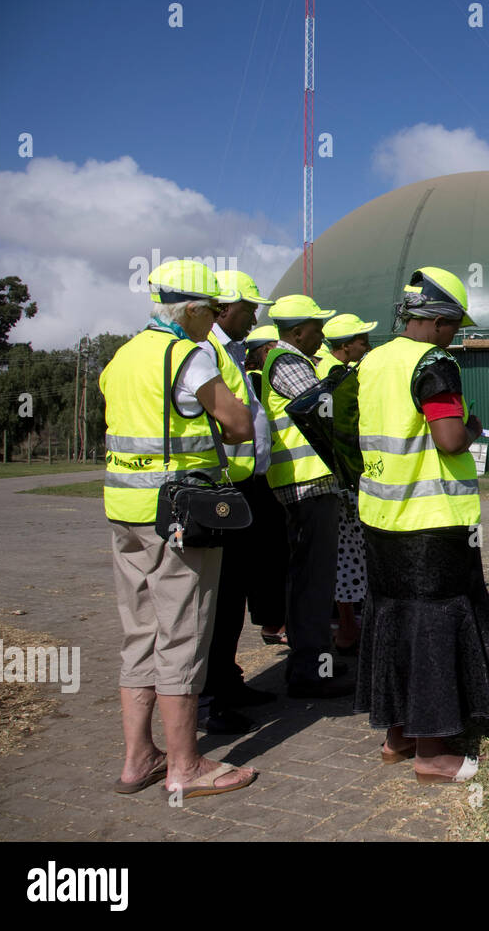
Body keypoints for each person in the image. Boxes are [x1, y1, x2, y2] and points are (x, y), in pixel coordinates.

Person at [354, 267, 489, 783]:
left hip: (381, 518)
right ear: (438, 320)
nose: (457, 336)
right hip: (431, 524)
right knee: (432, 627)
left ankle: (398, 736)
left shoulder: (373, 361)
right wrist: (471, 427)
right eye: (455, 326)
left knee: (394, 620)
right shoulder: (435, 363)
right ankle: (433, 752)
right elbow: (448, 438)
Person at [100, 259, 257, 799]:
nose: (215, 321)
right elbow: (238, 424)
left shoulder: (121, 357)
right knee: (182, 636)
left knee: (139, 633)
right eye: (212, 311)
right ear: (191, 309)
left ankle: (138, 759)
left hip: (124, 513)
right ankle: (185, 767)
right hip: (177, 518)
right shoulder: (185, 356)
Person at [191, 270, 278, 734]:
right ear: (225, 309)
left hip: (247, 487)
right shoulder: (206, 351)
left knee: (237, 592)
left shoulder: (230, 351)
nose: (255, 315)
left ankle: (228, 678)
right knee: (220, 599)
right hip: (225, 491)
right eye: (249, 308)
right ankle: (210, 698)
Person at [261, 294, 353, 698]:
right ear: (298, 332)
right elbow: (323, 409)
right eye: (317, 329)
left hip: (304, 483)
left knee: (309, 578)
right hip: (308, 483)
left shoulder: (286, 361)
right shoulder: (289, 362)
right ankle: (312, 671)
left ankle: (313, 663)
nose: (322, 336)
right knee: (314, 581)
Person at [316, 313, 379, 652]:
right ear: (344, 346)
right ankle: (351, 629)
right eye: (361, 340)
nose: (367, 345)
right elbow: (346, 431)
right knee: (352, 554)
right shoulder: (336, 376)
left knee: (345, 553)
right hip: (344, 479)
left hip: (331, 478)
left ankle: (347, 626)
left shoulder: (323, 366)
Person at [241, 323, 289, 645]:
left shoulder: (253, 380)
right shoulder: (258, 382)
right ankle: (273, 622)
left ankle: (271, 621)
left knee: (266, 554)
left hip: (258, 477)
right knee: (269, 554)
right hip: (261, 481)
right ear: (266, 351)